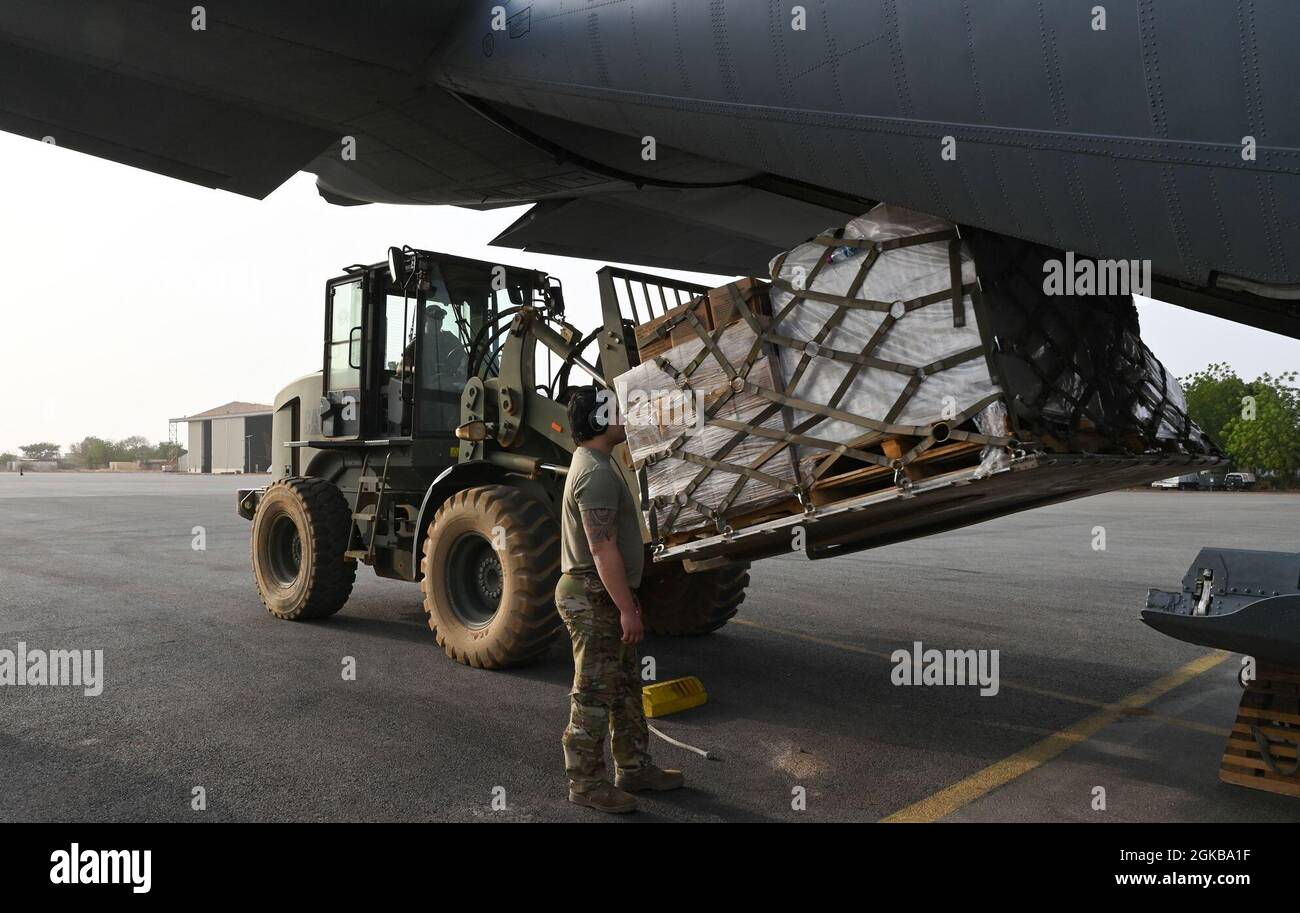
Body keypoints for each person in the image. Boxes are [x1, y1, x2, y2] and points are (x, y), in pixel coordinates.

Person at [556, 386, 683, 813]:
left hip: (604, 592)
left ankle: (633, 767)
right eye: (615, 412)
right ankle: (585, 782)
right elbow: (601, 547)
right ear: (597, 421)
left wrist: (627, 599)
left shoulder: (600, 465)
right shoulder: (594, 473)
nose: (624, 417)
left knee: (626, 686)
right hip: (592, 594)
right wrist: (626, 607)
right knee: (592, 692)